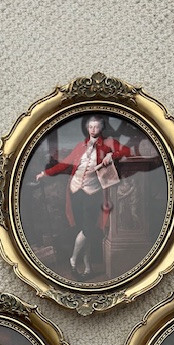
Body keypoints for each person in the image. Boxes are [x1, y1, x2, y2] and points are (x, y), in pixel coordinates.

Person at [36, 114, 130, 279]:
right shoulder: (81, 146)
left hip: (93, 192)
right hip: (75, 190)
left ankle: (73, 260)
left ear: (101, 128)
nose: (93, 130)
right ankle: (88, 268)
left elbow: (126, 151)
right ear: (87, 128)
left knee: (88, 229)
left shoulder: (108, 143)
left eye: (96, 126)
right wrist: (45, 173)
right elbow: (65, 163)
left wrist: (111, 155)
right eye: (90, 127)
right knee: (82, 230)